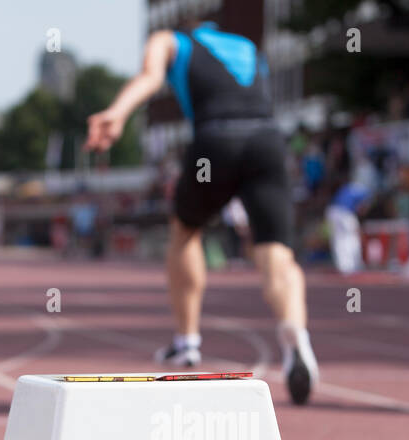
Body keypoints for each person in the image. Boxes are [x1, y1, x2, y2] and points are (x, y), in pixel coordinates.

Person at [85, 21, 320, 404]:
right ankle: (294, 331)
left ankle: (187, 341)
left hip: (215, 142)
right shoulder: (245, 45)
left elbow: (149, 77)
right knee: (276, 254)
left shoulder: (170, 41)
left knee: (186, 232)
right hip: (267, 141)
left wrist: (117, 112)